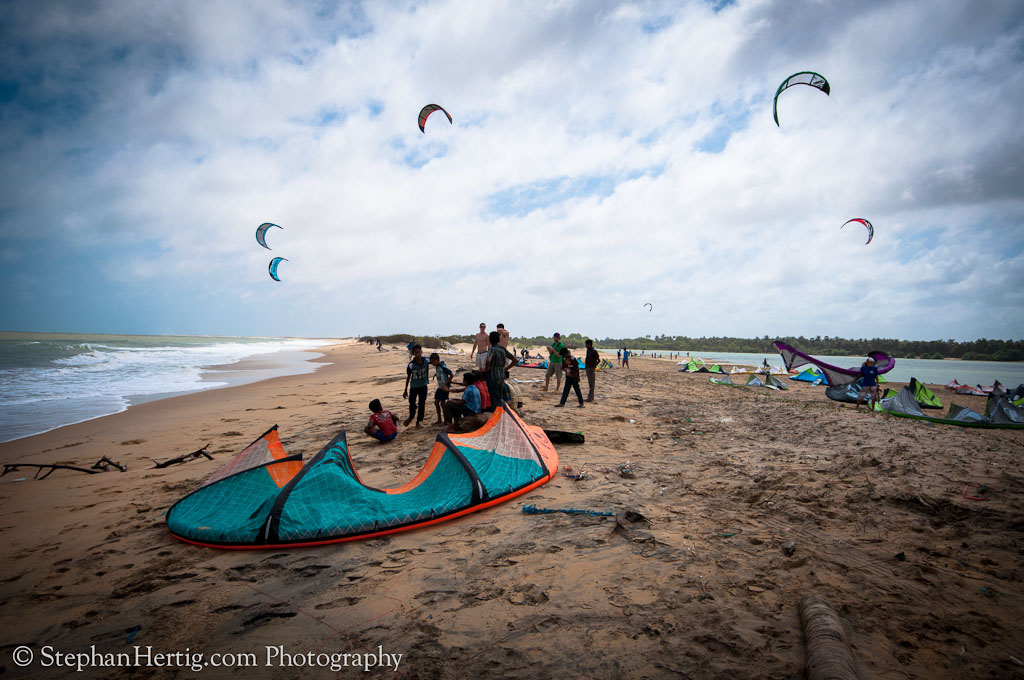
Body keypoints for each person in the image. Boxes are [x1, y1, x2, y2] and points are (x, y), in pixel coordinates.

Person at [485, 331, 517, 407]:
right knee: (500, 396)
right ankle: (501, 411)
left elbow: (488, 360)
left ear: (490, 340)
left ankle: (496, 413)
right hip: (501, 375)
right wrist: (505, 369)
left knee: (494, 397)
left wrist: (487, 368)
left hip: (493, 375)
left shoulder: (491, 350)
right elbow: (515, 360)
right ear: (499, 340)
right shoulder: (502, 349)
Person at [403, 344, 431, 428]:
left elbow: (435, 362)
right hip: (414, 387)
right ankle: (411, 417)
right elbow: (408, 377)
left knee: (422, 404)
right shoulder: (411, 365)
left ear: (421, 352)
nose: (418, 354)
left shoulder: (426, 360)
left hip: (423, 386)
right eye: (416, 353)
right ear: (413, 354)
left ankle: (419, 421)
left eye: (419, 352)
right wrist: (405, 390)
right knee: (411, 403)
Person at [429, 353, 455, 425]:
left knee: (443, 404)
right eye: (432, 362)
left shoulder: (442, 366)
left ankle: (446, 420)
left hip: (444, 387)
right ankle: (439, 419)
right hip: (440, 387)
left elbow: (451, 374)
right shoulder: (437, 366)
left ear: (438, 360)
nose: (433, 364)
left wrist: (446, 384)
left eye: (434, 362)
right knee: (436, 402)